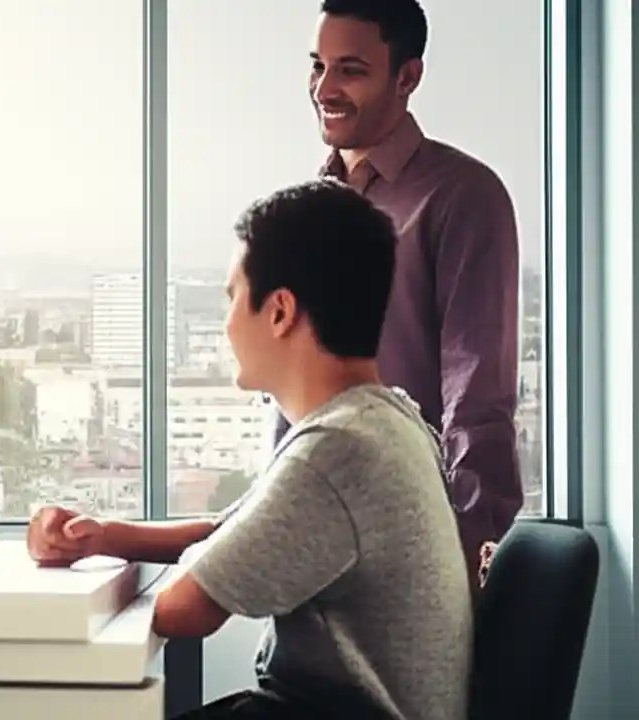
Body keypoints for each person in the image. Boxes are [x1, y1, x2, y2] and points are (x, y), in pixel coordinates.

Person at [28, 181, 473, 720]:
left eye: (233, 297)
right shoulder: (385, 418)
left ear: (280, 311)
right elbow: (229, 532)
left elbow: (182, 611)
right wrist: (102, 536)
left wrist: (197, 564)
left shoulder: (336, 450)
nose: (226, 324)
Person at [300, 0, 523, 583]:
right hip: (310, 544)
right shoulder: (310, 206)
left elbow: (478, 401)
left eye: (350, 69)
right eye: (317, 66)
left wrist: (464, 572)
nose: (325, 89)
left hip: (409, 560)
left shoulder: (463, 196)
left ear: (408, 77)